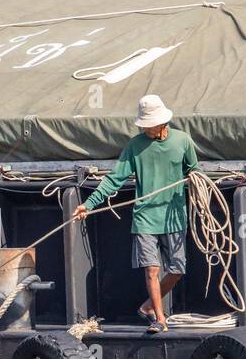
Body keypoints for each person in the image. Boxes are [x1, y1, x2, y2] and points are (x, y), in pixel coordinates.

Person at [73, 94, 198, 333]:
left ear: (162, 123)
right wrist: (88, 204)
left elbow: (195, 170)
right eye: (144, 126)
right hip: (145, 218)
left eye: (149, 125)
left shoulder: (182, 141)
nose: (146, 130)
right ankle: (159, 319)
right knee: (151, 268)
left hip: (174, 216)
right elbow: (114, 179)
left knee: (178, 269)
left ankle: (149, 306)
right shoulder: (134, 146)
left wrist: (195, 178)